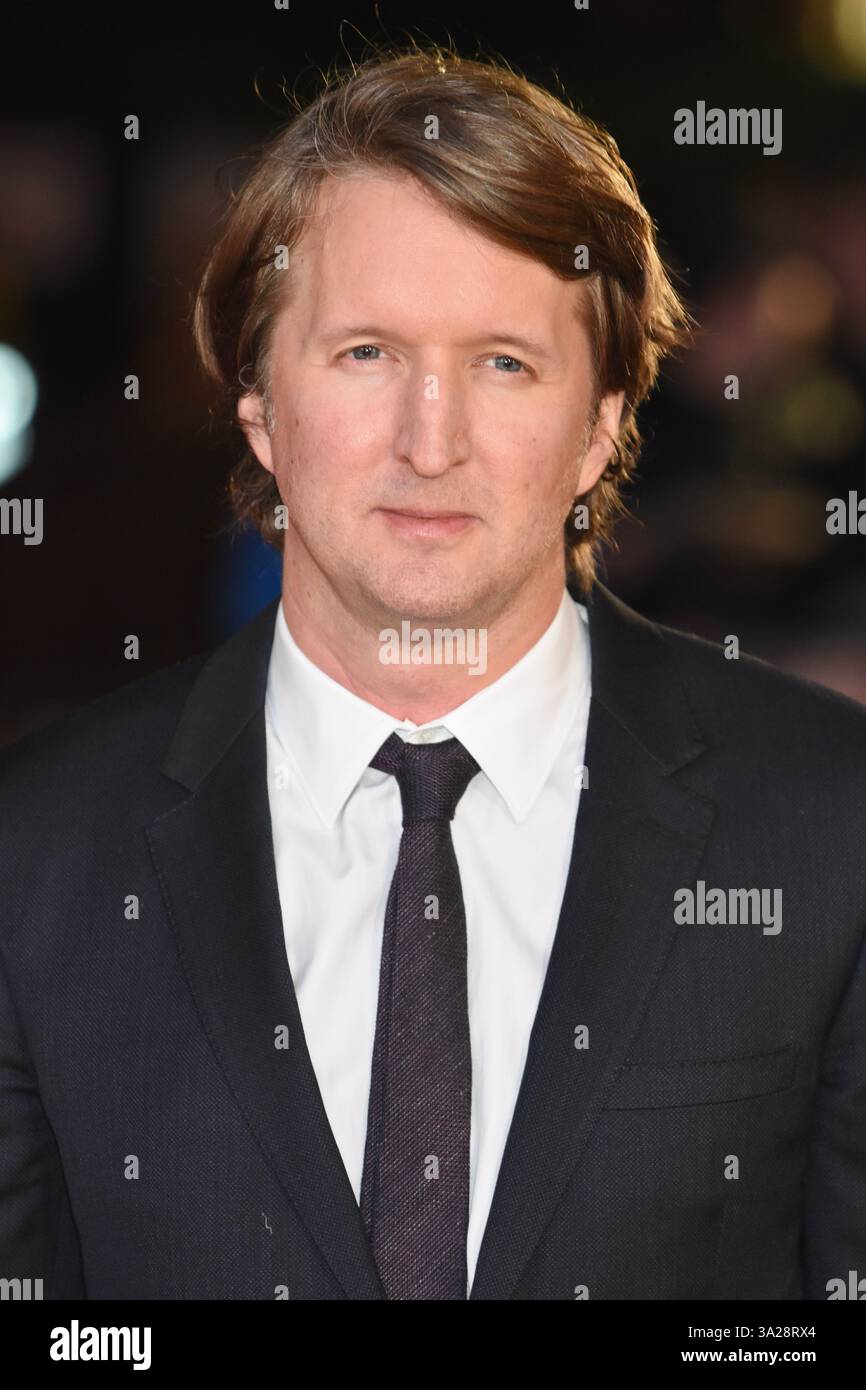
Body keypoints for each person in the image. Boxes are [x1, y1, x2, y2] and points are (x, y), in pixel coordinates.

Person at [1, 43, 865, 1302]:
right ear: (260, 410)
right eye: (364, 353)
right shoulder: (35, 854)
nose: (430, 436)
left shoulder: (828, 824)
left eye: (502, 362)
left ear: (601, 426)